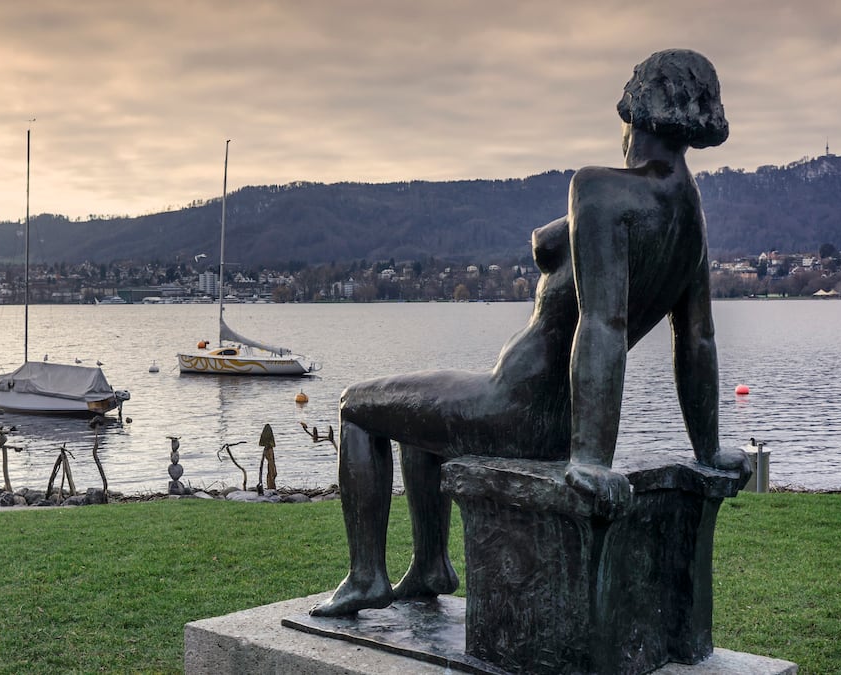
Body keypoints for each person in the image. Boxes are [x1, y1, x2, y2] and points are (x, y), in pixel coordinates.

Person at [312, 49, 752, 617]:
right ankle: (429, 567)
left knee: (357, 406)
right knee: (421, 417)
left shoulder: (599, 189)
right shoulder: (684, 212)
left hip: (517, 408)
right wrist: (708, 449)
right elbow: (698, 340)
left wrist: (591, 460)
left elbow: (604, 323)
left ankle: (366, 576)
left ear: (636, 114)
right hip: (556, 417)